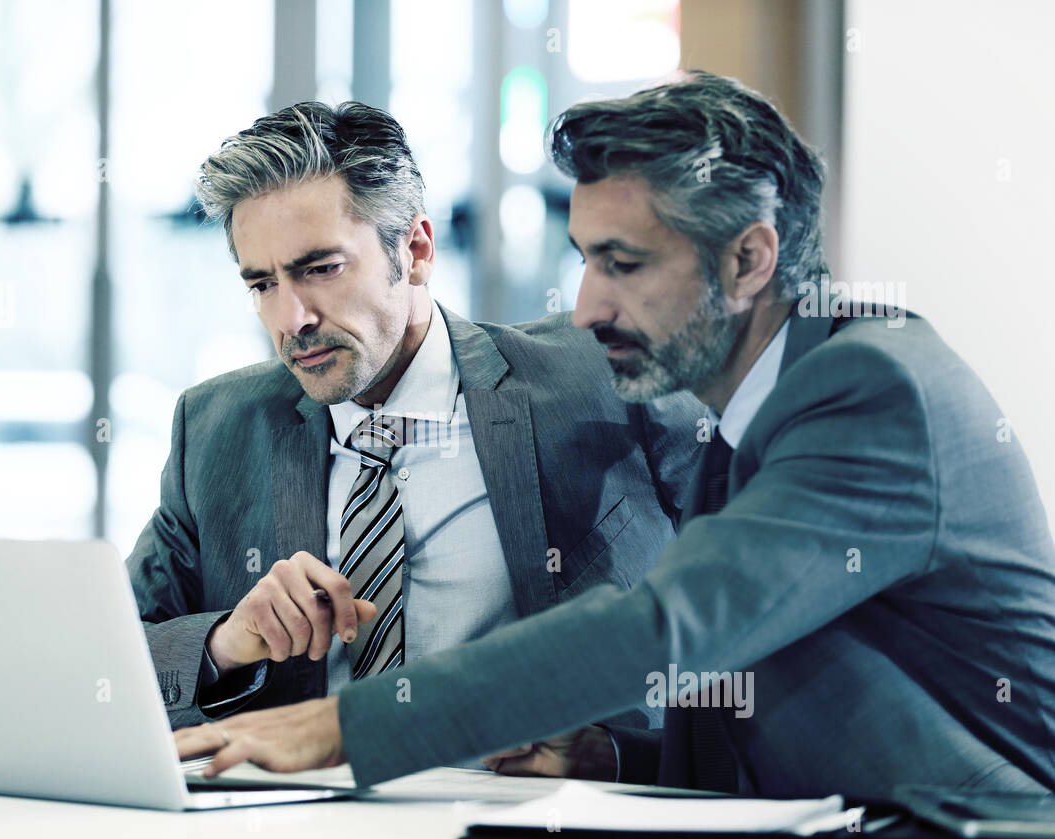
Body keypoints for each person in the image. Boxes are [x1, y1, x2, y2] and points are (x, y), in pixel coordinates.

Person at [174, 74, 1055, 798]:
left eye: (623, 265)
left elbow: (662, 629)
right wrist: (613, 756)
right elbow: (726, 702)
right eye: (585, 259)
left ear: (748, 259)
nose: (588, 308)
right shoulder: (746, 417)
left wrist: (339, 727)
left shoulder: (871, 390)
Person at [126, 101, 704, 776]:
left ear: (416, 250)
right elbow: (112, 663)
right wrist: (226, 642)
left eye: (321, 268)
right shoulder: (217, 427)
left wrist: (615, 754)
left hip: (519, 828)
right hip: (293, 826)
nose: (293, 318)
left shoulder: (599, 377)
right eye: (262, 283)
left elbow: (754, 616)